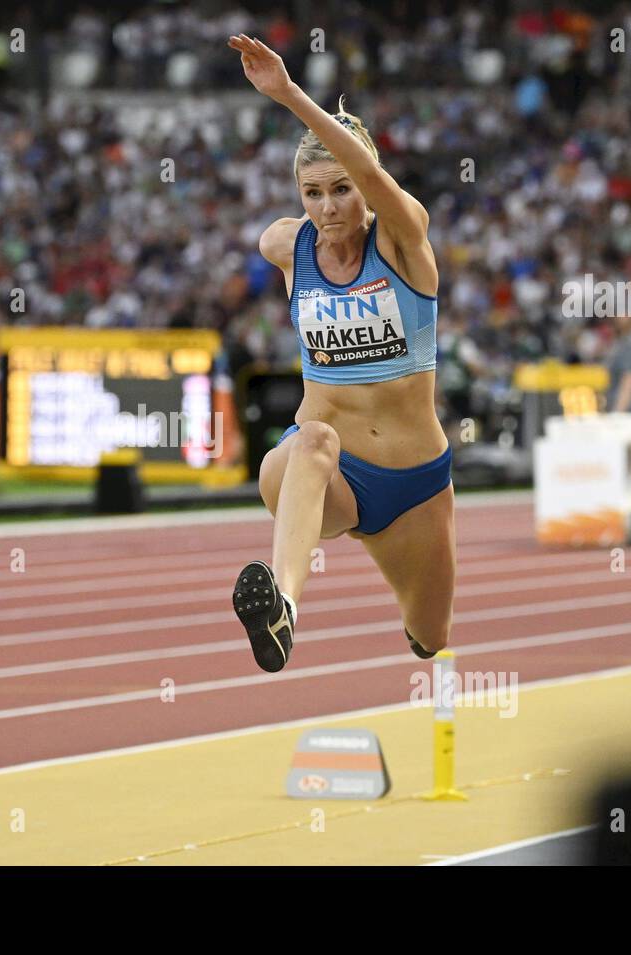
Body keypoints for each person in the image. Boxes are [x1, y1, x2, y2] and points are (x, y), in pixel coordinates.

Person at [226, 34, 453, 672]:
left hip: (414, 485)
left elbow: (380, 181)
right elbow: (277, 233)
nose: (328, 208)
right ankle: (284, 609)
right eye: (312, 193)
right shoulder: (289, 248)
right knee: (311, 440)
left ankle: (421, 632)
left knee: (430, 637)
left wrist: (288, 94)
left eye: (342, 191)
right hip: (327, 477)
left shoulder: (404, 243)